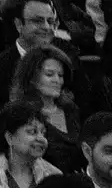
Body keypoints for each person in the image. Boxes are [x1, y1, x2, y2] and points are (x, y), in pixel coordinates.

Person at [10, 42, 82, 172]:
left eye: (60, 75)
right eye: (49, 74)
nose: (57, 80)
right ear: (31, 78)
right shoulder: (21, 114)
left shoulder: (71, 110)